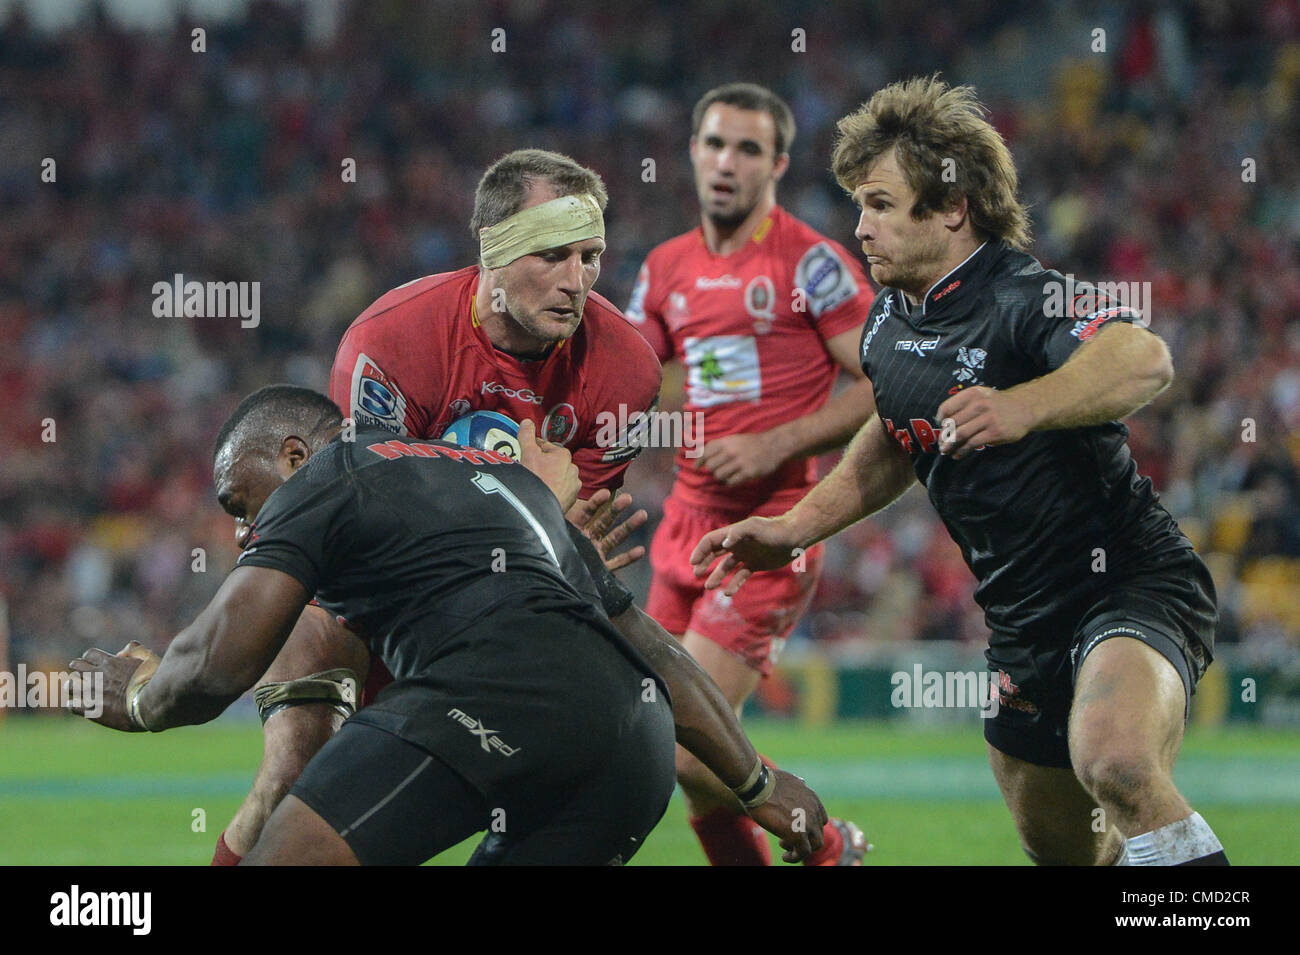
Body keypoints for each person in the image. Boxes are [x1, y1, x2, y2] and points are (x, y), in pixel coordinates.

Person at [691, 76, 1228, 866]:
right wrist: (794, 527)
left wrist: (1023, 406)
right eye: (858, 203)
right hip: (1020, 625)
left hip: (1129, 583)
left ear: (950, 207)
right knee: (1073, 852)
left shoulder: (1022, 296)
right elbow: (892, 435)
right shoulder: (888, 319)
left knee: (1115, 762)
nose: (860, 225)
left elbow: (1143, 358)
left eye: (878, 203)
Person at [70, 385, 829, 865]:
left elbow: (219, 663)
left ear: (294, 454)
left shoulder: (329, 473)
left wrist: (137, 696)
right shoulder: (510, 485)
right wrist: (757, 781)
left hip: (490, 690)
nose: (244, 532)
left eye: (242, 504)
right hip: (632, 750)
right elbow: (652, 646)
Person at [212, 149, 665, 864]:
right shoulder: (390, 341)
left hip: (511, 619)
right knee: (296, 769)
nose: (577, 282)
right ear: (493, 246)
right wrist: (533, 499)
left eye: (591, 256)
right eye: (552, 255)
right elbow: (375, 519)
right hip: (371, 594)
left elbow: (570, 551)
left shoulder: (627, 369)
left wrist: (543, 528)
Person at [624, 83, 876, 866]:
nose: (725, 162)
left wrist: (776, 444)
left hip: (771, 528)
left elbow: (884, 381)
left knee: (683, 742)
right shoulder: (665, 267)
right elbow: (624, 378)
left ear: (776, 163)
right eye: (713, 143)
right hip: (684, 529)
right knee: (673, 752)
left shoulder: (814, 263)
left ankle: (828, 842)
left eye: (746, 148)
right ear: (693, 152)